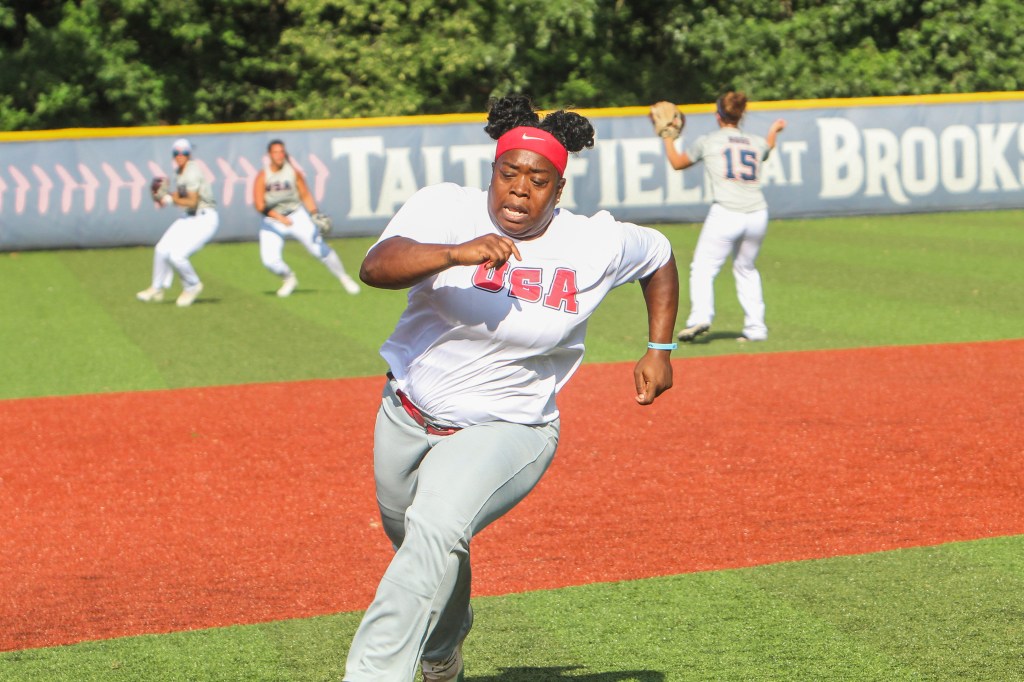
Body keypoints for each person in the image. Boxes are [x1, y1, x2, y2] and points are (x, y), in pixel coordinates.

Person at [342, 94, 679, 681]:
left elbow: (660, 255)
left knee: (436, 526)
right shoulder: (445, 208)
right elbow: (376, 267)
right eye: (509, 174)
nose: (521, 190)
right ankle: (443, 650)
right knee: (419, 541)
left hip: (510, 426)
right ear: (492, 173)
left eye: (539, 180)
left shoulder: (593, 242)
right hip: (405, 412)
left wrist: (660, 347)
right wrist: (452, 253)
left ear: (559, 188)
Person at [659, 91, 786, 342]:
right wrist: (774, 130)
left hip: (727, 212)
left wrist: (666, 137)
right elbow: (768, 147)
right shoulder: (755, 141)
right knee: (746, 268)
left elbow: (677, 162)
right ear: (741, 116)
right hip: (757, 213)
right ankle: (756, 328)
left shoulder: (709, 141)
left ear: (718, 115)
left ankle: (700, 317)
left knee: (703, 268)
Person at [252, 139, 360, 297]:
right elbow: (259, 205)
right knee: (269, 260)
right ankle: (289, 278)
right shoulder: (263, 175)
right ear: (269, 155)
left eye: (282, 151)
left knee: (319, 249)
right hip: (272, 219)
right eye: (275, 152)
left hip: (295, 214)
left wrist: (314, 213)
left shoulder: (292, 172)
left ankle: (344, 278)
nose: (279, 155)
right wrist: (280, 218)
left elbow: (305, 194)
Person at [136, 138, 219, 307]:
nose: (180, 156)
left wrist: (167, 198)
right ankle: (156, 288)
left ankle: (193, 285)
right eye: (177, 153)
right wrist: (165, 198)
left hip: (204, 217)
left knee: (177, 255)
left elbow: (193, 201)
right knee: (161, 249)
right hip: (190, 217)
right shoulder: (179, 172)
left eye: (184, 152)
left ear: (189, 154)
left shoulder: (192, 171)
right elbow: (181, 198)